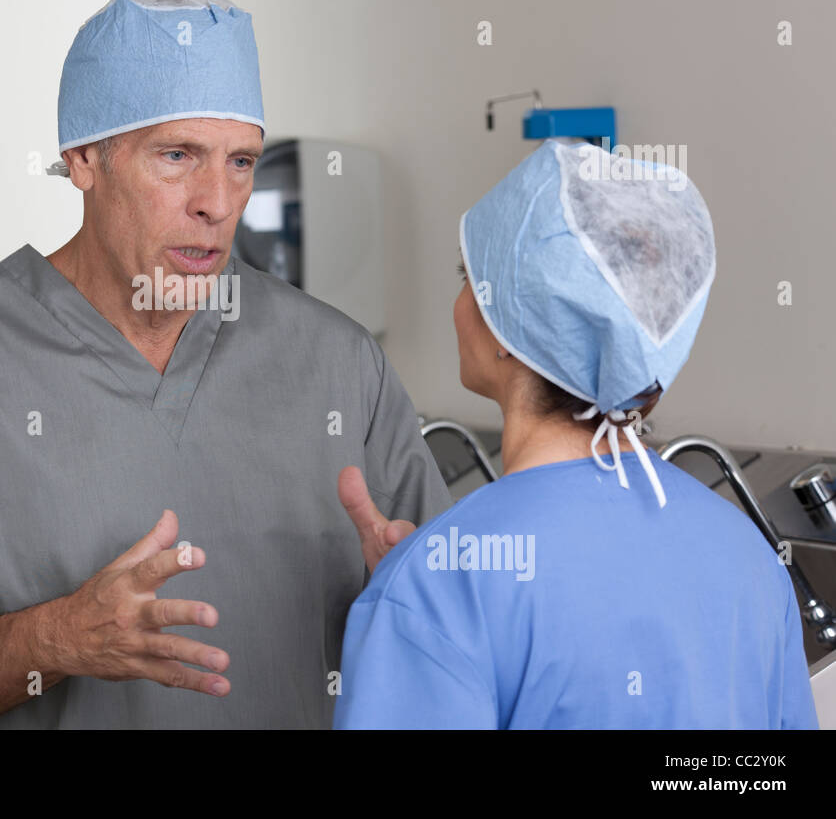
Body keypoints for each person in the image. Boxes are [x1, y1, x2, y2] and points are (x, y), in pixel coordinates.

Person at [0, 0, 453, 728]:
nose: (218, 201)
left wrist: (418, 609)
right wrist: (54, 639)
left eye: (241, 161)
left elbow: (459, 645)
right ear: (84, 159)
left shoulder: (339, 363)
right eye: (177, 156)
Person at [334, 139, 819, 729]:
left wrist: (411, 603)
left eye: (469, 277)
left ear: (510, 328)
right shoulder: (746, 552)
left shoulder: (444, 584)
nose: (459, 303)